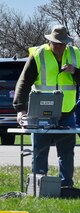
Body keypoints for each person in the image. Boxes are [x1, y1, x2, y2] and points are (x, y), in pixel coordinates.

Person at [12, 25, 78, 192]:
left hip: (67, 112)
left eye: (62, 44)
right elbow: (24, 82)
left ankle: (66, 186)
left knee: (66, 154)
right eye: (56, 43)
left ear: (67, 43)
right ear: (49, 42)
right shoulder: (39, 55)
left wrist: (75, 72)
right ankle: (38, 185)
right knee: (39, 152)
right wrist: (21, 108)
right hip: (41, 113)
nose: (59, 47)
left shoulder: (75, 54)